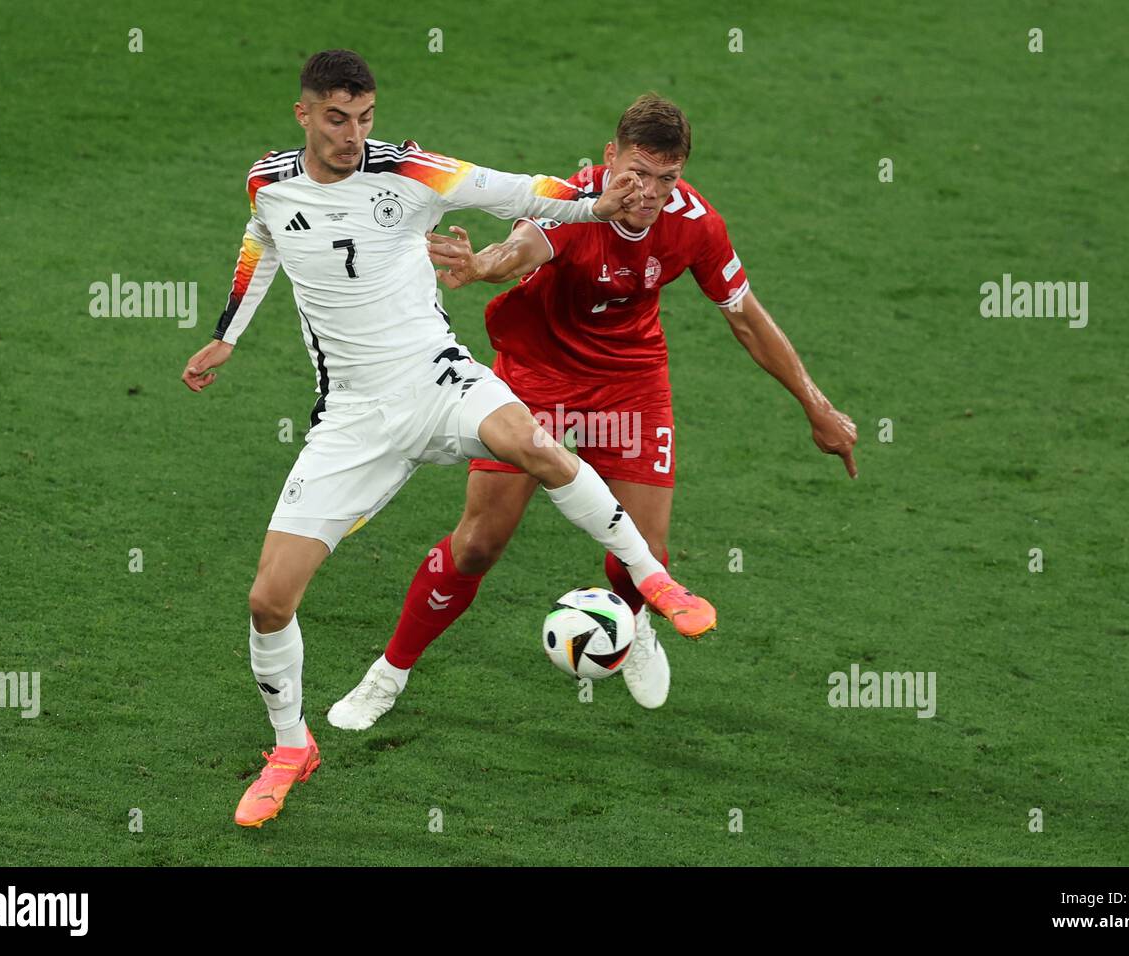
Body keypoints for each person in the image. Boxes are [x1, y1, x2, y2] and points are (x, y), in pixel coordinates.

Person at [181, 54, 716, 828]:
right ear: (304, 115)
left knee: (538, 446)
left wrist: (601, 204)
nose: (352, 135)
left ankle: (655, 584)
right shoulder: (269, 182)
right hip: (353, 420)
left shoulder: (411, 172)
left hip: (439, 382)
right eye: (336, 119)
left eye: (364, 118)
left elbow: (521, 193)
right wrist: (226, 335)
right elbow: (259, 240)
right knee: (268, 600)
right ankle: (290, 748)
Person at [329, 94, 856, 729]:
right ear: (610, 159)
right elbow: (519, 250)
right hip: (538, 379)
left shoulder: (696, 224)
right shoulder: (574, 202)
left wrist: (816, 405)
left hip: (629, 382)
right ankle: (388, 674)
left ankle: (632, 624)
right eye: (637, 172)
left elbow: (744, 315)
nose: (649, 192)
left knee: (647, 552)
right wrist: (479, 266)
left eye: (667, 177)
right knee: (478, 545)